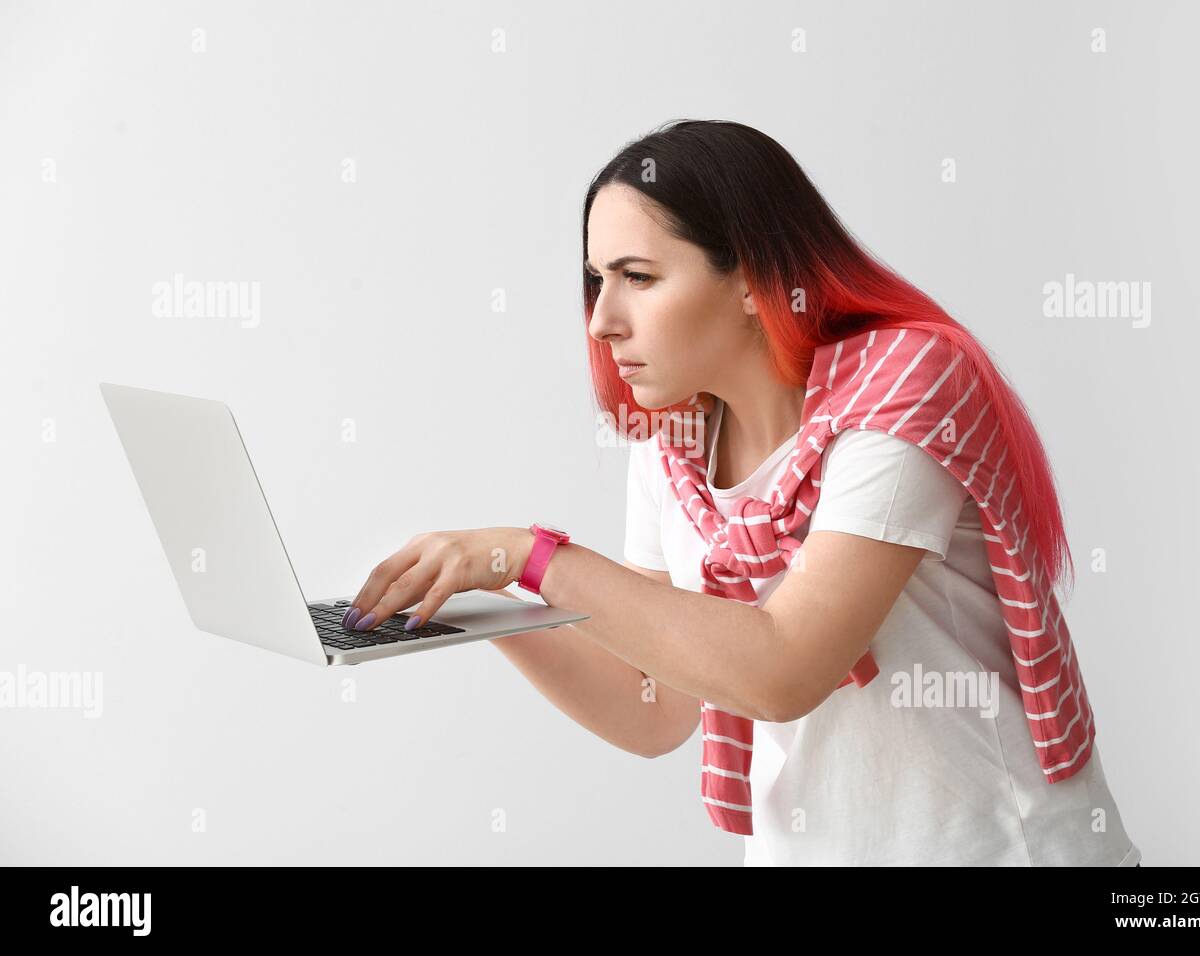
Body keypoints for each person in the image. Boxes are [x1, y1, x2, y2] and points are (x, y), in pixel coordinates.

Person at [341, 119, 1142, 867]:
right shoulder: (674, 445)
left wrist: (530, 554)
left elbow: (784, 667)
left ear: (757, 280)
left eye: (638, 277)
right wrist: (478, 603)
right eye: (596, 281)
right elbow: (653, 707)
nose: (602, 321)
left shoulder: (906, 387)